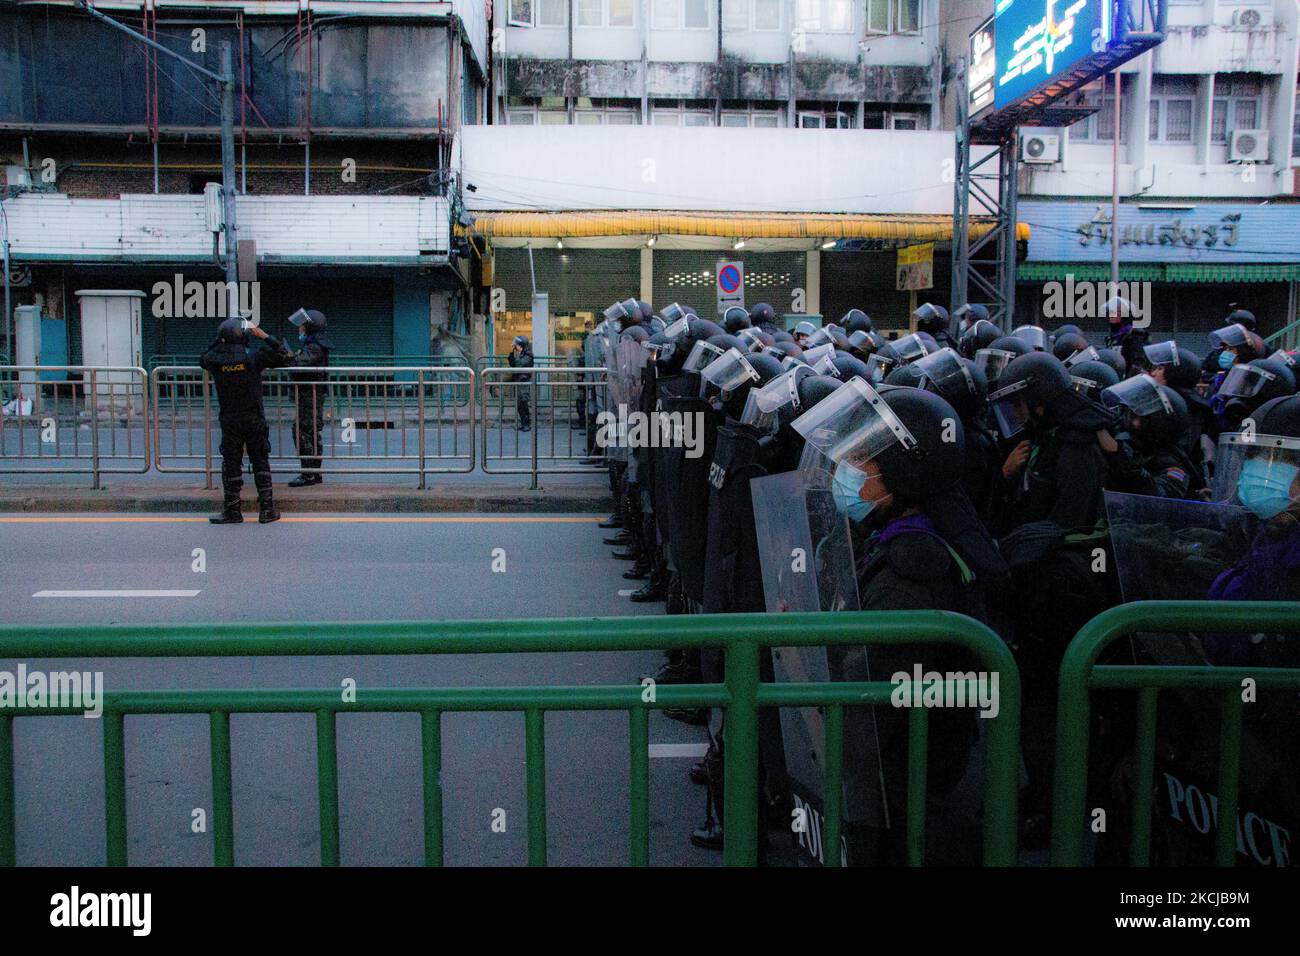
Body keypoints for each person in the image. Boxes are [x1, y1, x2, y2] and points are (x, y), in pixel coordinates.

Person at [199, 318, 294, 524]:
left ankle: (232, 510)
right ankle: (267, 510)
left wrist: (220, 340)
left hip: (230, 419)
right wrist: (265, 336)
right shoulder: (254, 358)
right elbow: (287, 357)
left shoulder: (215, 360)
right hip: (254, 418)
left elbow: (203, 357)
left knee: (231, 463)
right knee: (260, 460)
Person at [286, 309, 332, 487]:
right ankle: (313, 473)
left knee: (305, 431)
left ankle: (309, 474)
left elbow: (297, 364)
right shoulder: (312, 344)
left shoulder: (315, 347)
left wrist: (284, 354)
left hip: (310, 395)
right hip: (308, 394)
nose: (300, 329)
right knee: (308, 431)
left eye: (303, 325)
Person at [508, 334, 534, 432]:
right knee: (519, 405)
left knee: (523, 403)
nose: (516, 346)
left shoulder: (528, 355)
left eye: (517, 344)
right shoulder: (521, 353)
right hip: (519, 381)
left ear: (521, 345)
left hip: (524, 382)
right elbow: (512, 364)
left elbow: (518, 365)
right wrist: (511, 352)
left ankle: (526, 424)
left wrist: (516, 354)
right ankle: (523, 423)